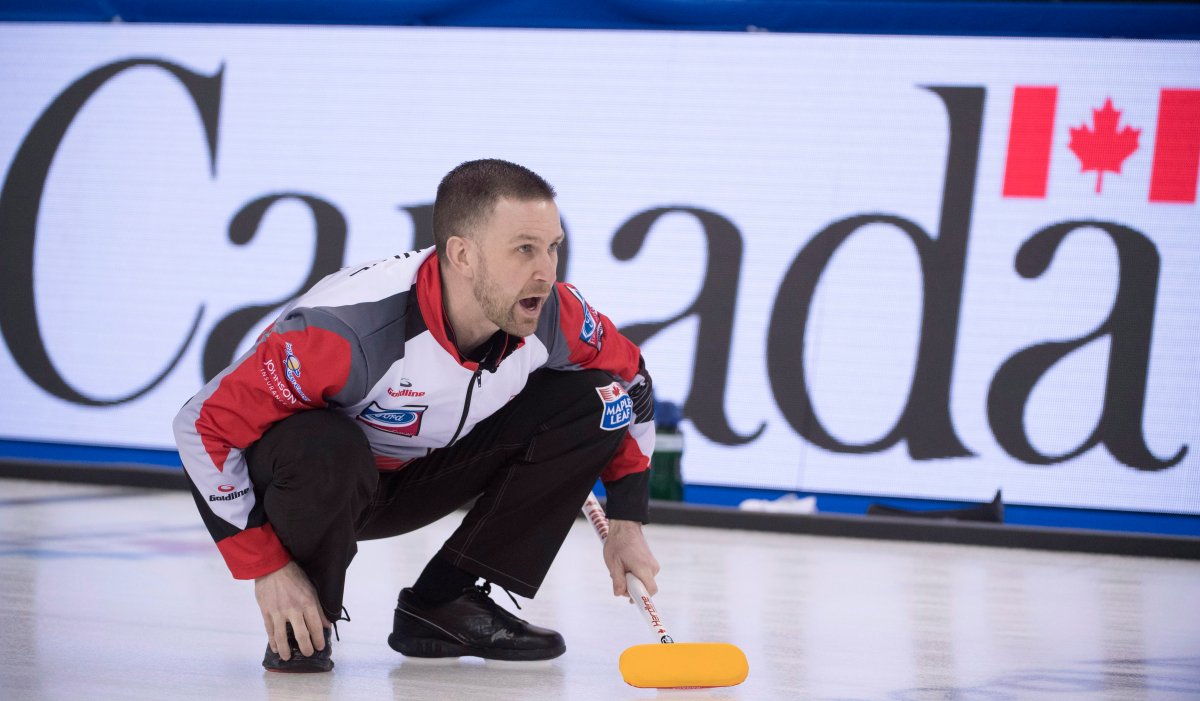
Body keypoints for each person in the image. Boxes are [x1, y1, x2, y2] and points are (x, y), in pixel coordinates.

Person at [173, 158, 661, 672]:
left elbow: (634, 382)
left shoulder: (553, 315)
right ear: (462, 254)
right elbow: (202, 426)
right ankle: (302, 623)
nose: (547, 272)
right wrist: (266, 566)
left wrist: (627, 521)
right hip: (314, 484)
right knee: (325, 443)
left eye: (552, 247)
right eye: (524, 249)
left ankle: (444, 604)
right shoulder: (345, 332)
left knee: (597, 397)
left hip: (417, 473)